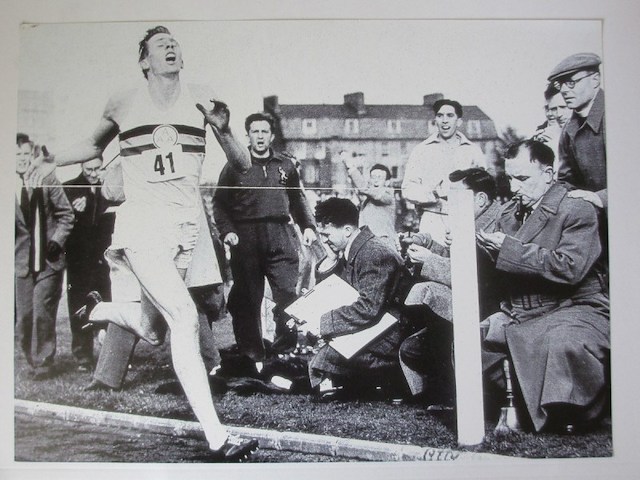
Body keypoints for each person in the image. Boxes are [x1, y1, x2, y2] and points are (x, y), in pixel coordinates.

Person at [34, 26, 257, 461]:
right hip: (142, 228)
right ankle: (218, 438)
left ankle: (96, 309)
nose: (171, 48)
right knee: (185, 319)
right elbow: (91, 144)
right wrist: (49, 158)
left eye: (175, 43)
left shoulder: (202, 96)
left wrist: (225, 131)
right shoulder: (123, 101)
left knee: (156, 330)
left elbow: (243, 163)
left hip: (186, 231)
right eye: (160, 45)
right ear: (144, 61)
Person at [476, 140, 609, 433]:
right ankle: (523, 403)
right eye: (510, 178)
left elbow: (570, 268)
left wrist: (508, 250)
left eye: (522, 179)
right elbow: (498, 264)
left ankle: (562, 411)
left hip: (575, 307)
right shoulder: (510, 211)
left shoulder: (577, 208)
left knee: (560, 345)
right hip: (523, 311)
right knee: (470, 342)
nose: (513, 188)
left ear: (548, 175)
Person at [213, 112, 317, 364]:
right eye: (255, 132)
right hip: (246, 236)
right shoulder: (234, 165)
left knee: (287, 292)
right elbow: (220, 203)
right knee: (248, 296)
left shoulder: (286, 164)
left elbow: (297, 198)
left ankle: (284, 350)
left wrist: (308, 225)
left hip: (281, 233)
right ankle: (252, 352)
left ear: (271, 135)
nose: (260, 136)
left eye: (264, 132)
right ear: (247, 135)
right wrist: (227, 231)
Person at [399, 168, 503, 405]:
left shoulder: (494, 225)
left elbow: (476, 275)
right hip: (478, 306)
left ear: (480, 199)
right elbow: (457, 259)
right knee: (412, 348)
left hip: (488, 309)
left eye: (454, 199)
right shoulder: (476, 220)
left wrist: (429, 259)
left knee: (430, 304)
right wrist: (428, 245)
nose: (448, 206)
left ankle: (451, 393)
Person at [305, 198, 408, 401]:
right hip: (377, 326)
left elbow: (368, 307)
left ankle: (393, 376)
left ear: (347, 230)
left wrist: (323, 323)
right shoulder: (358, 248)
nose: (324, 240)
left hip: (391, 333)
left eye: (327, 234)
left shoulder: (374, 253)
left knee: (326, 357)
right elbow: (338, 289)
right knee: (322, 355)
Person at [15, 134, 75, 379]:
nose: (22, 160)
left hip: (48, 259)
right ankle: (29, 360)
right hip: (21, 261)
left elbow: (67, 215)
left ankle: (44, 363)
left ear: (34, 156)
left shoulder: (47, 179)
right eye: (16, 155)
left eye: (26, 155)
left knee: (42, 310)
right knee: (25, 316)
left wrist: (57, 240)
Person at [401, 99, 485, 245]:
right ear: (435, 120)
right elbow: (407, 189)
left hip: (466, 219)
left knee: (464, 264)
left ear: (459, 121)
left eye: (449, 116)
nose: (444, 121)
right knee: (430, 264)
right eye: (440, 116)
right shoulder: (421, 150)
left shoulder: (473, 151)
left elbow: (485, 188)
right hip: (433, 218)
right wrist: (433, 194)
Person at [63, 157, 116, 371]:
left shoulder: (110, 188)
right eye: (89, 169)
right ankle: (83, 357)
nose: (93, 174)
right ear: (81, 167)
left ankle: (109, 356)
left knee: (107, 303)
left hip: (105, 258)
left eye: (97, 169)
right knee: (79, 306)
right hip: (79, 260)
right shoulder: (69, 188)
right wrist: (75, 209)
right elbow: (63, 218)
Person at [548, 52, 606, 209]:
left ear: (595, 80)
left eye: (571, 82)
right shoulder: (569, 129)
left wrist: (602, 198)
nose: (565, 90)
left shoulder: (617, 117)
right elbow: (567, 181)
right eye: (560, 85)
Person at [342, 153, 397, 252]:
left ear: (387, 182)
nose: (375, 181)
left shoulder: (388, 195)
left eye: (379, 178)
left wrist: (351, 166)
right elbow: (360, 189)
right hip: (368, 242)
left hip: (383, 243)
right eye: (373, 177)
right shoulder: (368, 199)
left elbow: (363, 187)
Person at [532, 84, 571, 176]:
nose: (558, 114)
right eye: (553, 109)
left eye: (563, 107)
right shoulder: (545, 133)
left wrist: (558, 144)